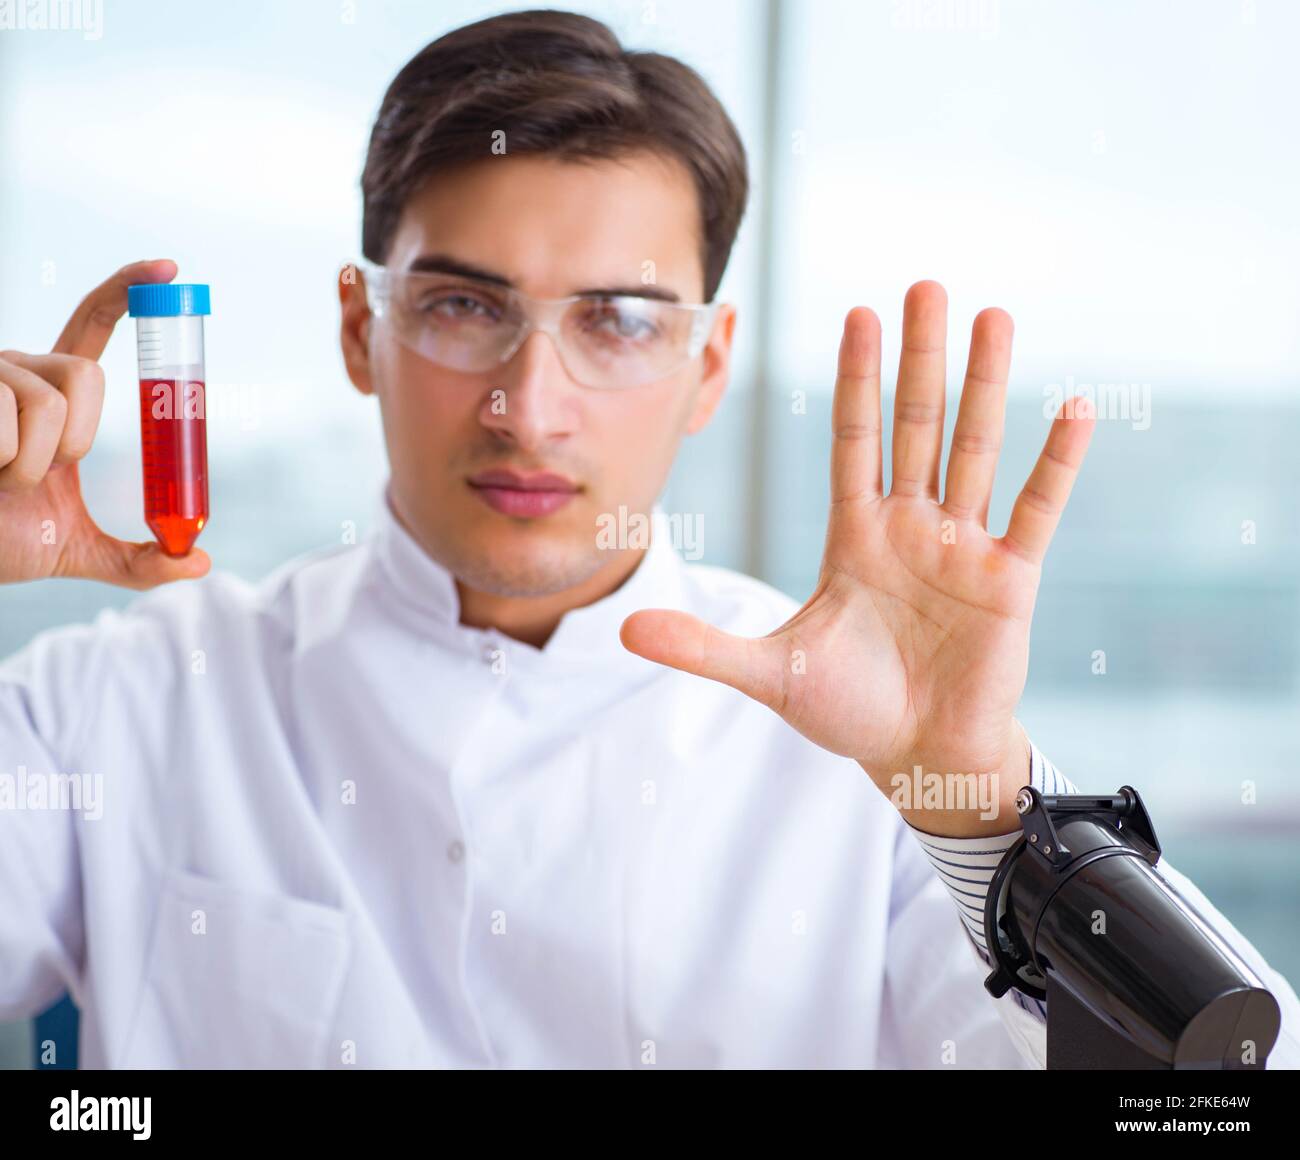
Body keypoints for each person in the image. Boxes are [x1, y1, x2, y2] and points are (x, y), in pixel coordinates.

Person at [0, 9, 1295, 1069]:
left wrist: (986, 811)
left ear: (709, 364)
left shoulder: (879, 759)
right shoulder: (122, 698)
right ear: (359, 328)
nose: (528, 404)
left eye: (616, 319)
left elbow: (1226, 1089)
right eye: (462, 305)